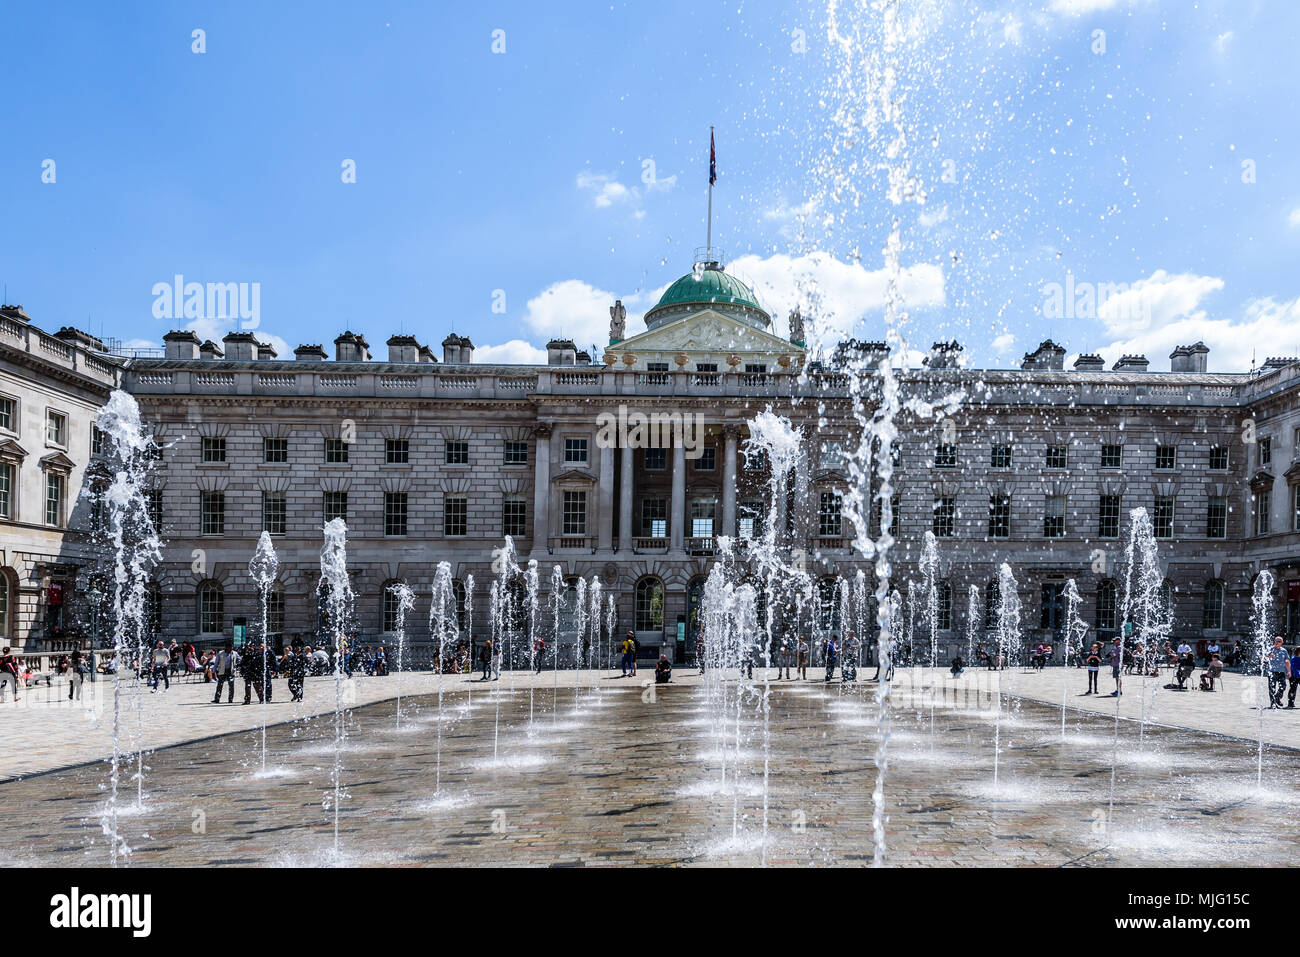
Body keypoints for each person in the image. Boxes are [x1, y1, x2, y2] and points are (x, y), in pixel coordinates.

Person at [1266, 636, 1289, 709]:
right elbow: (1263, 658)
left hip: (1281, 672)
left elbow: (1287, 661)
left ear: (1282, 643)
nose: (1277, 643)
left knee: (1283, 687)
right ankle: (1273, 704)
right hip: (1272, 672)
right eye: (1276, 641)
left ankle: (1277, 698)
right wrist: (1269, 656)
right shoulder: (1270, 649)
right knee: (1272, 688)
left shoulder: (1284, 651)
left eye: (1279, 641)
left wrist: (1289, 671)